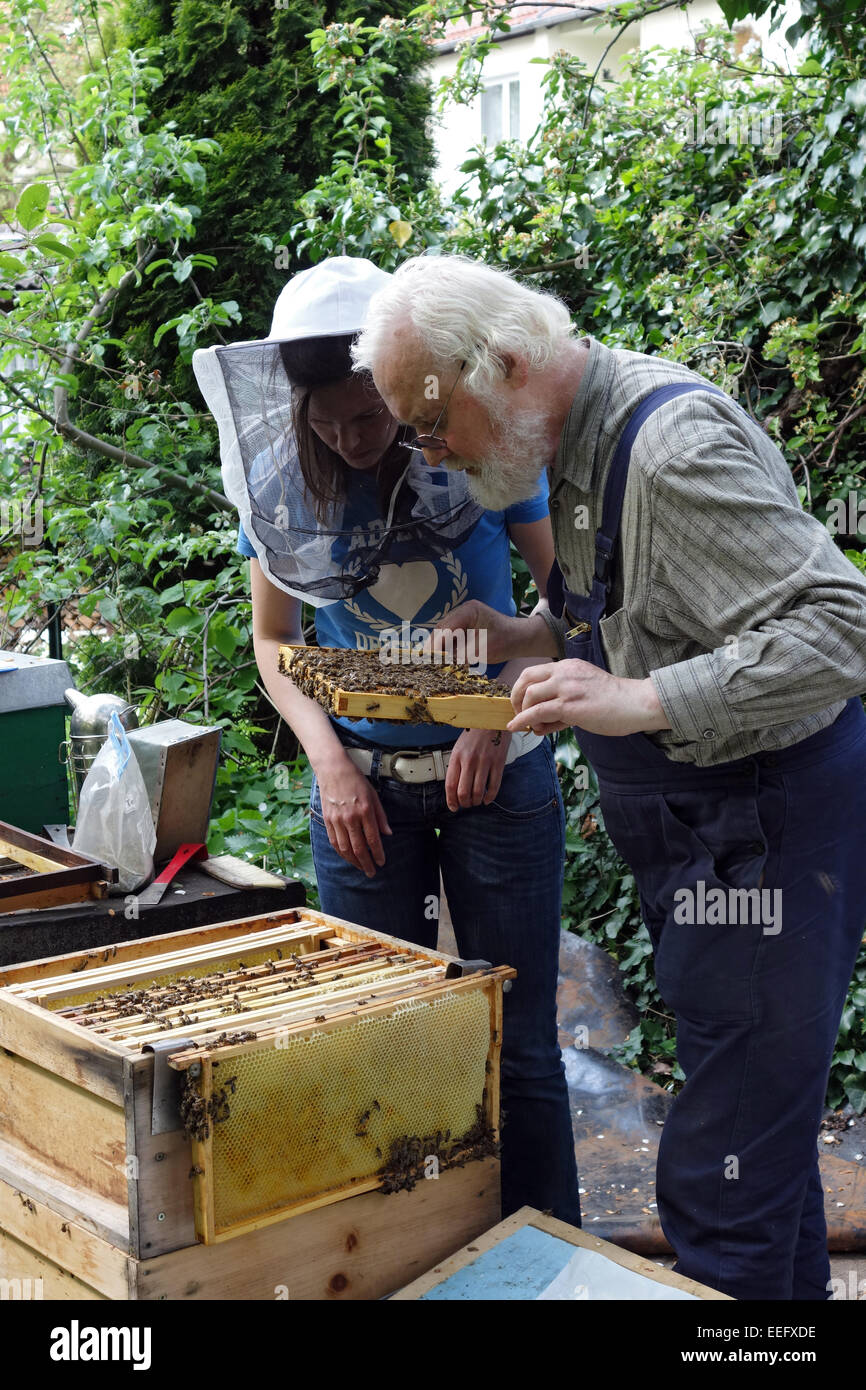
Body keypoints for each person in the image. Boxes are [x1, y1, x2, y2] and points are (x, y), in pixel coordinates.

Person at [352, 252, 866, 1301]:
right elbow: (639, 610)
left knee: (719, 1183)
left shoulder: (665, 448)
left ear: (498, 363)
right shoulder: (572, 443)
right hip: (705, 835)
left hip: (762, 831)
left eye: (428, 420)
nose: (427, 450)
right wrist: (521, 631)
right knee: (757, 1156)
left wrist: (644, 701)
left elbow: (840, 627)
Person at [192, 257, 580, 1224]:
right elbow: (276, 643)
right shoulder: (284, 491)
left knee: (519, 1041)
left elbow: (567, 600)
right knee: (386, 1040)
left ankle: (555, 1261)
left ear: (402, 391)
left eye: (367, 420)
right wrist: (329, 765)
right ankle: (414, 1253)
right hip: (361, 786)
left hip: (502, 780)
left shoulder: (478, 447)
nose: (350, 441)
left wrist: (498, 712)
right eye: (326, 426)